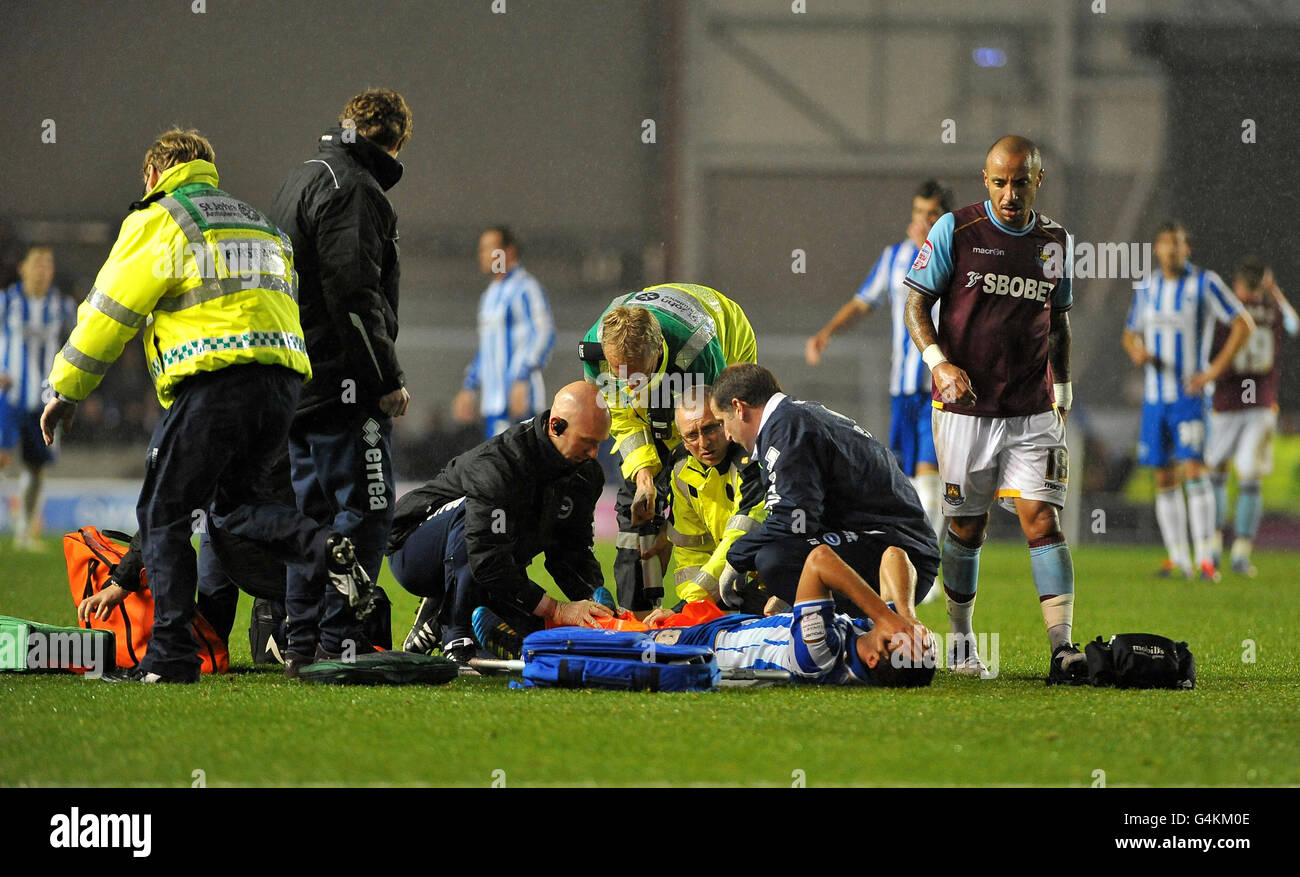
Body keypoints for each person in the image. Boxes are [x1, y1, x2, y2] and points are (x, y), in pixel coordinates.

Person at [42, 128, 371, 683]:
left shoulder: (162, 218)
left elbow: (109, 314)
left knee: (164, 512)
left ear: (153, 174)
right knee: (237, 506)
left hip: (214, 381)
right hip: (283, 385)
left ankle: (170, 658)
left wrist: (65, 388)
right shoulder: (259, 223)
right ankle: (324, 547)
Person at [901, 134, 1085, 683]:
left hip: (1031, 408)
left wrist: (1064, 392)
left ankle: (1063, 648)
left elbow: (1058, 322)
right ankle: (960, 643)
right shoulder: (955, 230)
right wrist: (939, 363)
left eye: (1020, 182)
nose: (1010, 193)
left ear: (1037, 181)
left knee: (1043, 520)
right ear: (986, 180)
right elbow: (915, 302)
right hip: (964, 412)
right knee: (966, 528)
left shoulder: (1054, 241)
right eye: (1000, 182)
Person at [267, 88, 413, 663]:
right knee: (368, 510)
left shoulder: (300, 178)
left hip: (296, 379)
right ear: (397, 140)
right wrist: (385, 378)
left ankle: (303, 642)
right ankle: (341, 641)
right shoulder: (353, 189)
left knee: (313, 515)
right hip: (342, 386)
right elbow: (354, 295)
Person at [386, 382, 614, 664]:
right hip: (414, 552)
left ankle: (440, 613)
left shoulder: (585, 474)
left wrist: (594, 601)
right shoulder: (501, 465)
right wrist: (555, 608)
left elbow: (571, 550)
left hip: (485, 565)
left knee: (534, 633)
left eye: (599, 443)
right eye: (588, 441)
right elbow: (486, 556)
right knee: (475, 516)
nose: (594, 453)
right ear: (555, 426)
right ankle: (457, 636)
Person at [708, 364, 940, 628]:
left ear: (739, 407)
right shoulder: (795, 418)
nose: (726, 434)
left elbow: (795, 520)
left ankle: (867, 633)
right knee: (758, 586)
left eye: (721, 421)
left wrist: (737, 556)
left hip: (901, 555)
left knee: (774, 560)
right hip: (893, 542)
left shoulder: (786, 428)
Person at [580, 283, 757, 612]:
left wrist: (674, 506)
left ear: (659, 349)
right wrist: (645, 478)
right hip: (670, 375)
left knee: (707, 480)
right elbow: (622, 417)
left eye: (637, 376)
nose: (629, 386)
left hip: (725, 347)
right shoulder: (596, 350)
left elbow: (708, 426)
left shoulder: (697, 352)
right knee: (634, 509)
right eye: (620, 377)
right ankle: (639, 613)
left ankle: (726, 601)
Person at [805, 180, 953, 539]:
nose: (923, 219)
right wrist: (827, 332)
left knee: (930, 476)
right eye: (918, 212)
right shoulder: (894, 257)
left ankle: (929, 569)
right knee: (903, 480)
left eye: (931, 214)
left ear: (945, 218)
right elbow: (863, 302)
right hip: (901, 387)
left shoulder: (955, 257)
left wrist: (928, 250)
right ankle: (910, 553)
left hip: (939, 384)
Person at [1122, 222, 1253, 581]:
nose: (1173, 251)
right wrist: (1136, 351)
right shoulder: (1147, 288)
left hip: (1189, 397)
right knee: (1164, 477)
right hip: (1154, 399)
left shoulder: (1206, 283)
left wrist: (1212, 372)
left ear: (1187, 249)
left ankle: (1207, 558)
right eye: (1166, 245)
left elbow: (1243, 323)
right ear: (1156, 250)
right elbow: (1130, 333)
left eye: (1179, 245)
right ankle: (1178, 558)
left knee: (1195, 471)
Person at [654, 544, 935, 687]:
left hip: (708, 644)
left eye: (900, 637)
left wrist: (884, 615)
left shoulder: (819, 656)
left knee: (627, 636)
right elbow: (894, 554)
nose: (899, 629)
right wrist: (908, 616)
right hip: (739, 623)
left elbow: (820, 559)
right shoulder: (875, 638)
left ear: (873, 659)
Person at [1205, 256, 1297, 576]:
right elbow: (1294, 324)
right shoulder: (1272, 310)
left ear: (1239, 284)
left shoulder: (1225, 312)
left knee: (1215, 475)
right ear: (1264, 284)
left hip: (1227, 400)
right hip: (1261, 402)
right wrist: (1275, 292)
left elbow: (1208, 351)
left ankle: (1213, 548)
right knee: (1250, 482)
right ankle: (1241, 554)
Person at [647, 385, 767, 614]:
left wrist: (685, 608)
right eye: (692, 435)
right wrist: (694, 610)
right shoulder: (681, 470)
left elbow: (741, 537)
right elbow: (689, 550)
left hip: (773, 574)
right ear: (681, 440)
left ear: (725, 420)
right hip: (732, 574)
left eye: (710, 428)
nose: (703, 443)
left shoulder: (751, 460)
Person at [0, 246, 75, 550]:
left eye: (48, 264)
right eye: (37, 264)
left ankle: (24, 532)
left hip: (46, 397)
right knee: (2, 457)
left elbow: (80, 338)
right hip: (9, 394)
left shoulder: (62, 306)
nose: (42, 270)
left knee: (36, 467)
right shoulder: (7, 301)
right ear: (23, 268)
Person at [452, 226, 556, 437]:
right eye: (481, 249)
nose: (482, 255)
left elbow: (544, 333)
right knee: (497, 467)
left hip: (520, 402)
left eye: (489, 248)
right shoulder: (489, 295)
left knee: (523, 466)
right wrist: (469, 387)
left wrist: (522, 379)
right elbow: (487, 347)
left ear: (508, 252)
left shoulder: (526, 288)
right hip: (493, 404)